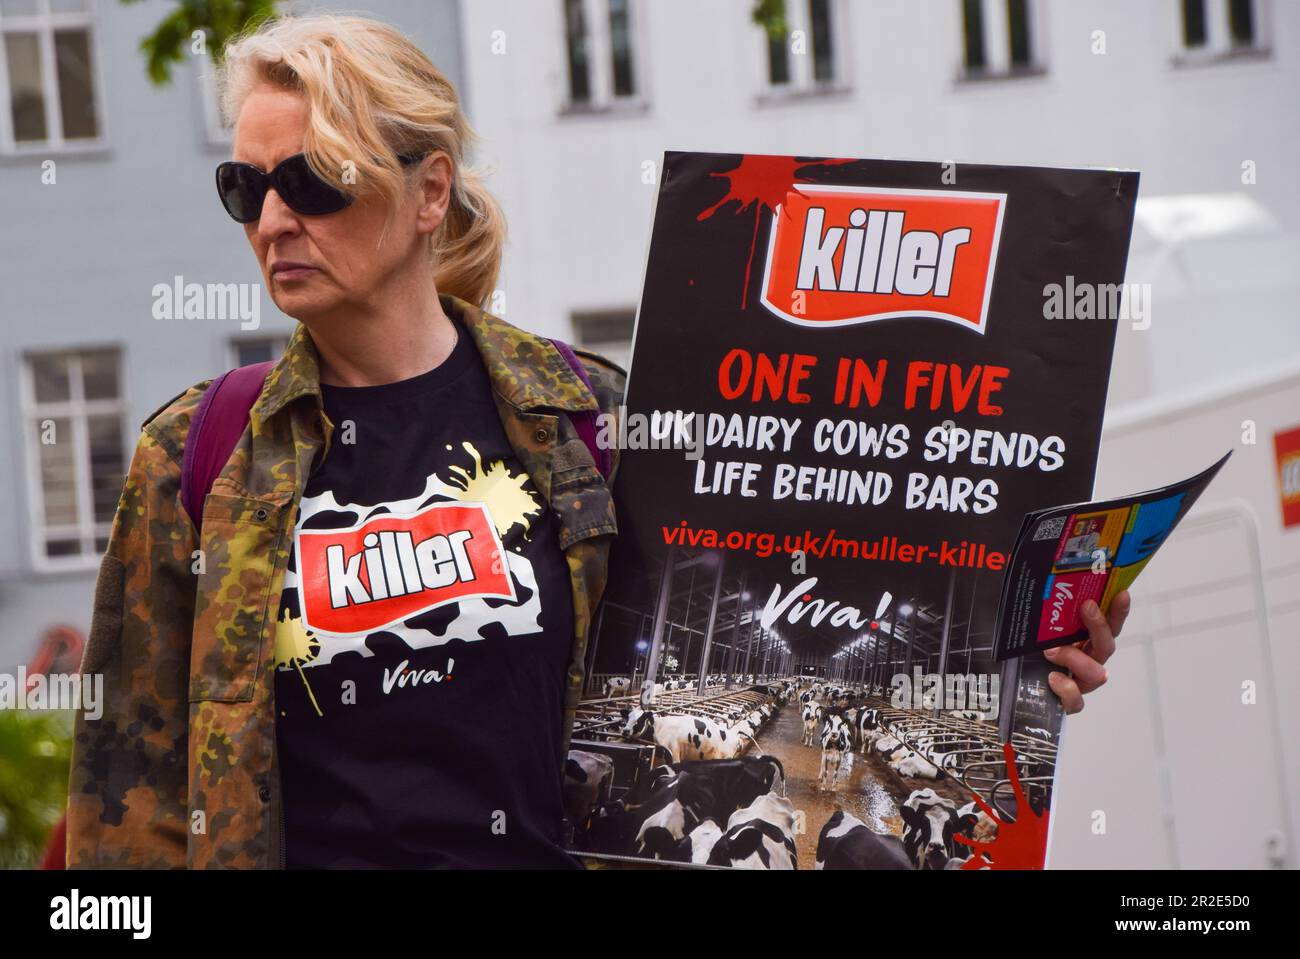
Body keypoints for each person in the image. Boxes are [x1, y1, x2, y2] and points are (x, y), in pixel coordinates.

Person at [64, 13, 1125, 869]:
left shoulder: (592, 422)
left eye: (312, 180)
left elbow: (780, 646)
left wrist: (1016, 662)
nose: (273, 221)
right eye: (245, 188)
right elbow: (127, 799)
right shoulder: (197, 457)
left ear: (429, 189)